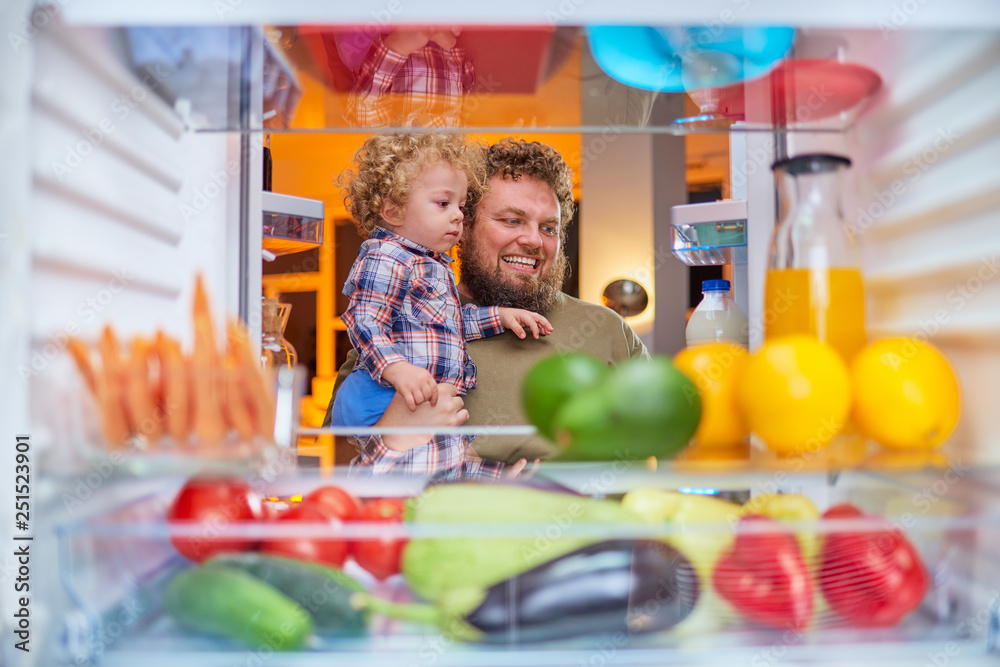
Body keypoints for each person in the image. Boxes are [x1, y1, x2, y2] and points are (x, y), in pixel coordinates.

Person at [326, 137, 649, 469]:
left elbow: (657, 455)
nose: (533, 240)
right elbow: (336, 480)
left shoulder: (609, 331)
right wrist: (393, 434)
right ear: (463, 227)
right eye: (512, 220)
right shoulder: (399, 333)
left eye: (548, 228)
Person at [331, 133, 552, 476]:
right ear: (393, 210)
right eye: (443, 203)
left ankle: (498, 482)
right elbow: (365, 320)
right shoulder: (385, 255)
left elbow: (450, 321)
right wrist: (397, 369)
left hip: (429, 400)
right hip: (381, 396)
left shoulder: (433, 265)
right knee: (404, 475)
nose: (458, 216)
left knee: (447, 461)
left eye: (461, 206)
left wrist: (499, 316)